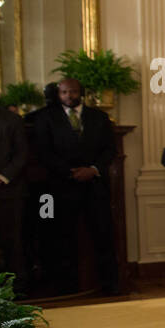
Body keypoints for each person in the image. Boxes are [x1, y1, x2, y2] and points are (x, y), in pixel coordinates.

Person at [31, 77, 118, 295]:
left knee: (103, 235)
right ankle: (65, 288)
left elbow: (110, 150)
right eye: (64, 93)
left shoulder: (99, 117)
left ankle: (109, 285)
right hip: (60, 187)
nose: (69, 96)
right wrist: (68, 172)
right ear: (58, 94)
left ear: (81, 92)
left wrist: (93, 169)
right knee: (61, 238)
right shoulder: (46, 118)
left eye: (73, 92)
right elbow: (43, 151)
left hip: (95, 186)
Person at [0, 102, 28, 295]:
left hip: (8, 191)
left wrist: (2, 177)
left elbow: (22, 154)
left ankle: (15, 289)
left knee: (12, 241)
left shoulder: (12, 120)